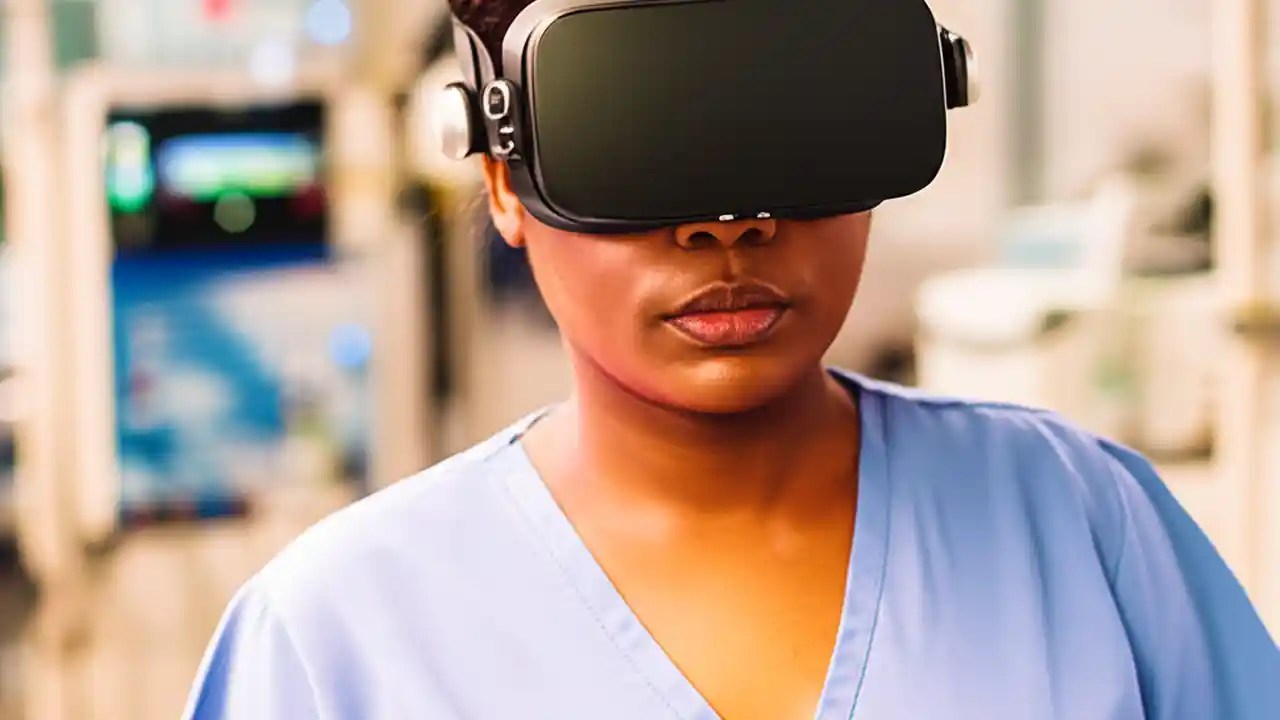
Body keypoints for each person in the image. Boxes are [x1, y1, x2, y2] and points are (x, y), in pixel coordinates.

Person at [184, 2, 1280, 718]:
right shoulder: (336, 642)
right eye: (640, 127)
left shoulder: (1084, 534)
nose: (727, 223)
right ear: (504, 175)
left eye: (789, 116)